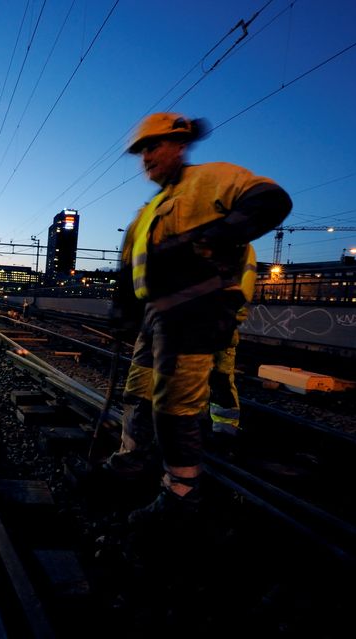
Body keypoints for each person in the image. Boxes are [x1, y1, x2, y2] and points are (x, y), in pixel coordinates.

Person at [105, 112, 292, 524]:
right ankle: (132, 461)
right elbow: (129, 270)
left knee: (176, 406)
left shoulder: (213, 178)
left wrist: (210, 238)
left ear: (180, 145)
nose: (146, 158)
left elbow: (271, 200)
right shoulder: (149, 210)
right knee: (138, 392)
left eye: (153, 146)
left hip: (196, 311)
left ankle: (181, 496)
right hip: (155, 317)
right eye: (141, 151)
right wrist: (124, 311)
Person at [209, 243, 257, 437]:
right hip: (219, 328)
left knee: (217, 382)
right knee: (219, 382)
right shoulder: (241, 246)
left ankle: (222, 431)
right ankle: (222, 431)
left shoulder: (239, 246)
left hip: (214, 328)